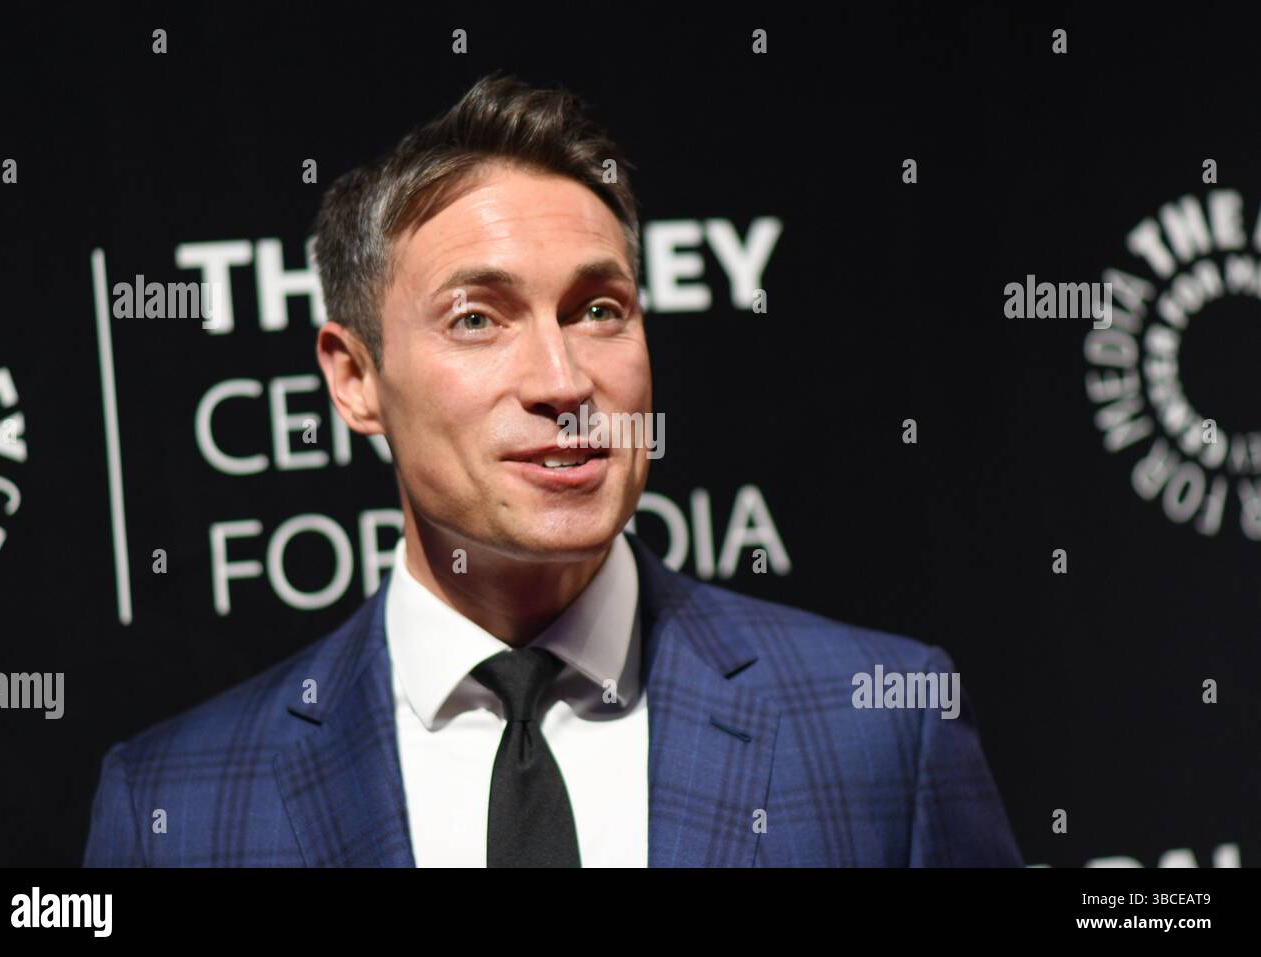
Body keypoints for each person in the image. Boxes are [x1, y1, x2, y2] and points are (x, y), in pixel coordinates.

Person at [83, 71, 1021, 867]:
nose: (563, 381)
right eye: (478, 319)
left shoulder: (882, 727)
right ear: (356, 378)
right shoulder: (175, 806)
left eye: (598, 310)